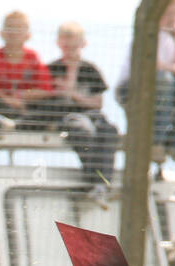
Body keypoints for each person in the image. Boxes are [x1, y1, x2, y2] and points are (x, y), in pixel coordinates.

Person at [116, 0, 175, 163]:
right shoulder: (146, 31)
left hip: (167, 87)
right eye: (169, 14)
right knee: (164, 80)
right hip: (132, 88)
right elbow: (151, 66)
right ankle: (154, 142)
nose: (173, 18)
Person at [42, 22, 119, 208]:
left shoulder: (90, 69)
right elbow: (56, 99)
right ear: (59, 44)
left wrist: (75, 96)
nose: (70, 50)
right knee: (82, 130)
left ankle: (101, 183)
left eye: (74, 46)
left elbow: (97, 102)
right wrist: (71, 74)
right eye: (66, 46)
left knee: (109, 131)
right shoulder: (51, 69)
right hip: (68, 116)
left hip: (92, 115)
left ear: (83, 44)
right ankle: (94, 180)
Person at [0, 11, 56, 129]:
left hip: (25, 107)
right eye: (10, 28)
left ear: (28, 35)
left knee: (54, 104)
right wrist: (10, 100)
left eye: (19, 29)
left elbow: (46, 90)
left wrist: (20, 96)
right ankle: (25, 123)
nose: (14, 33)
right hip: (4, 107)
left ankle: (15, 124)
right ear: (2, 33)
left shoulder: (33, 57)